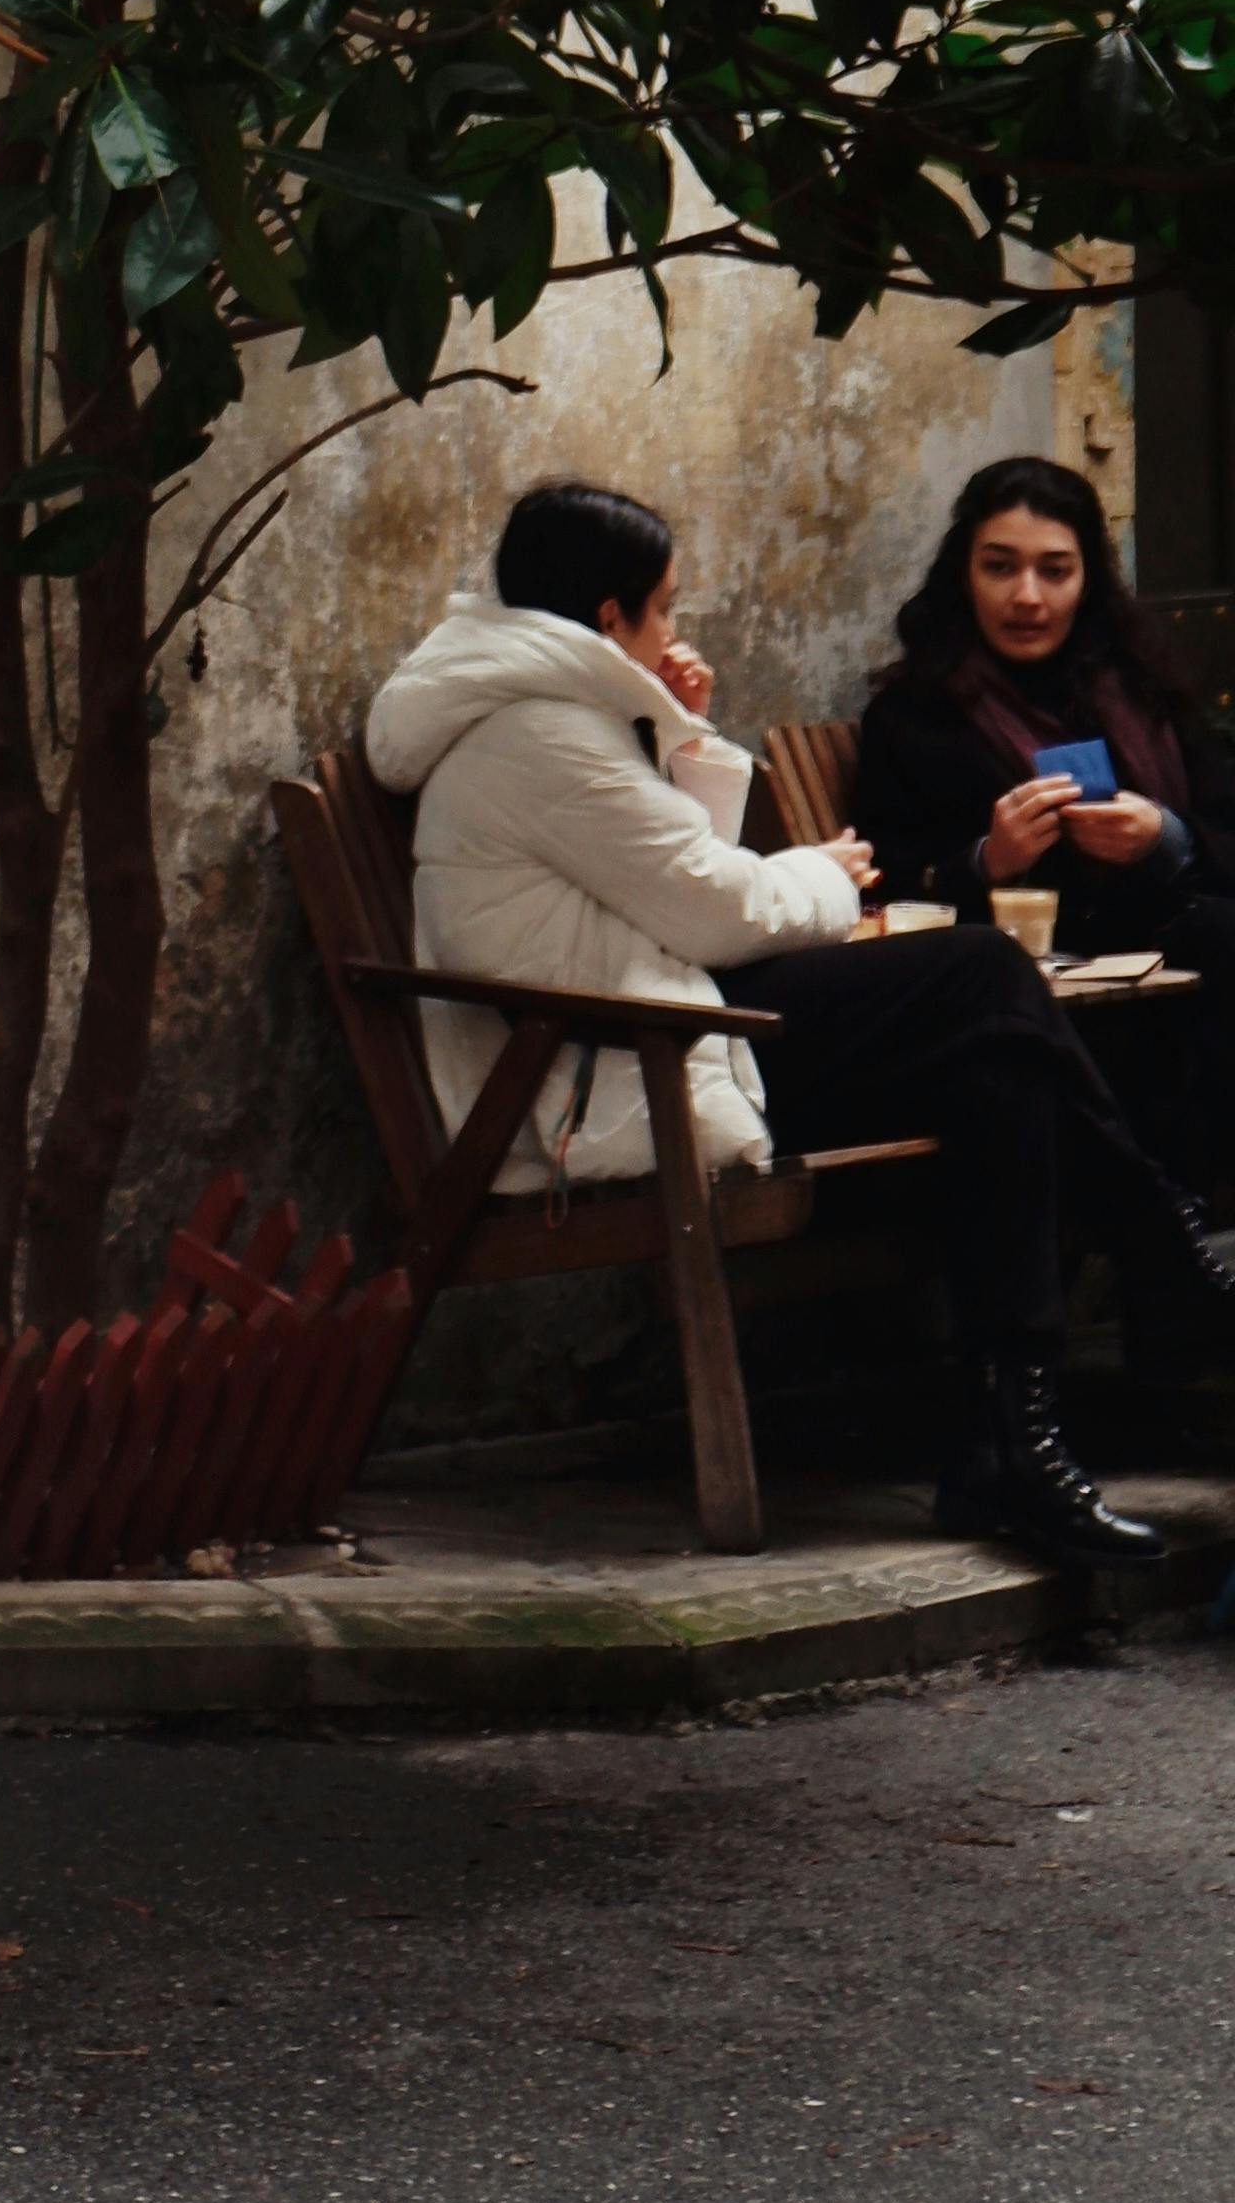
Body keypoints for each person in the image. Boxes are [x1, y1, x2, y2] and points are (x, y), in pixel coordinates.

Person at [367, 477, 1235, 1594]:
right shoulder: (543, 739)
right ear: (605, 619)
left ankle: (1010, 1445)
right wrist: (820, 871)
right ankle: (1168, 1272)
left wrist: (682, 739)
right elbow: (715, 907)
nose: (675, 631)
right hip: (622, 1074)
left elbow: (671, 871)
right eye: (665, 609)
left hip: (675, 1032)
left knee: (994, 1059)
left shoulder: (561, 725)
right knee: (979, 976)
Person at [851, 454, 1235, 1201]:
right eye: (1001, 567)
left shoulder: (1142, 690)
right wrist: (987, 860)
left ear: (1088, 578)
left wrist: (1166, 837)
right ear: (965, 574)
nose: (1027, 596)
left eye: (1054, 571)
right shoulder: (918, 716)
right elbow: (883, 887)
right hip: (1032, 1002)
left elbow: (1224, 824)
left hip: (1172, 962)